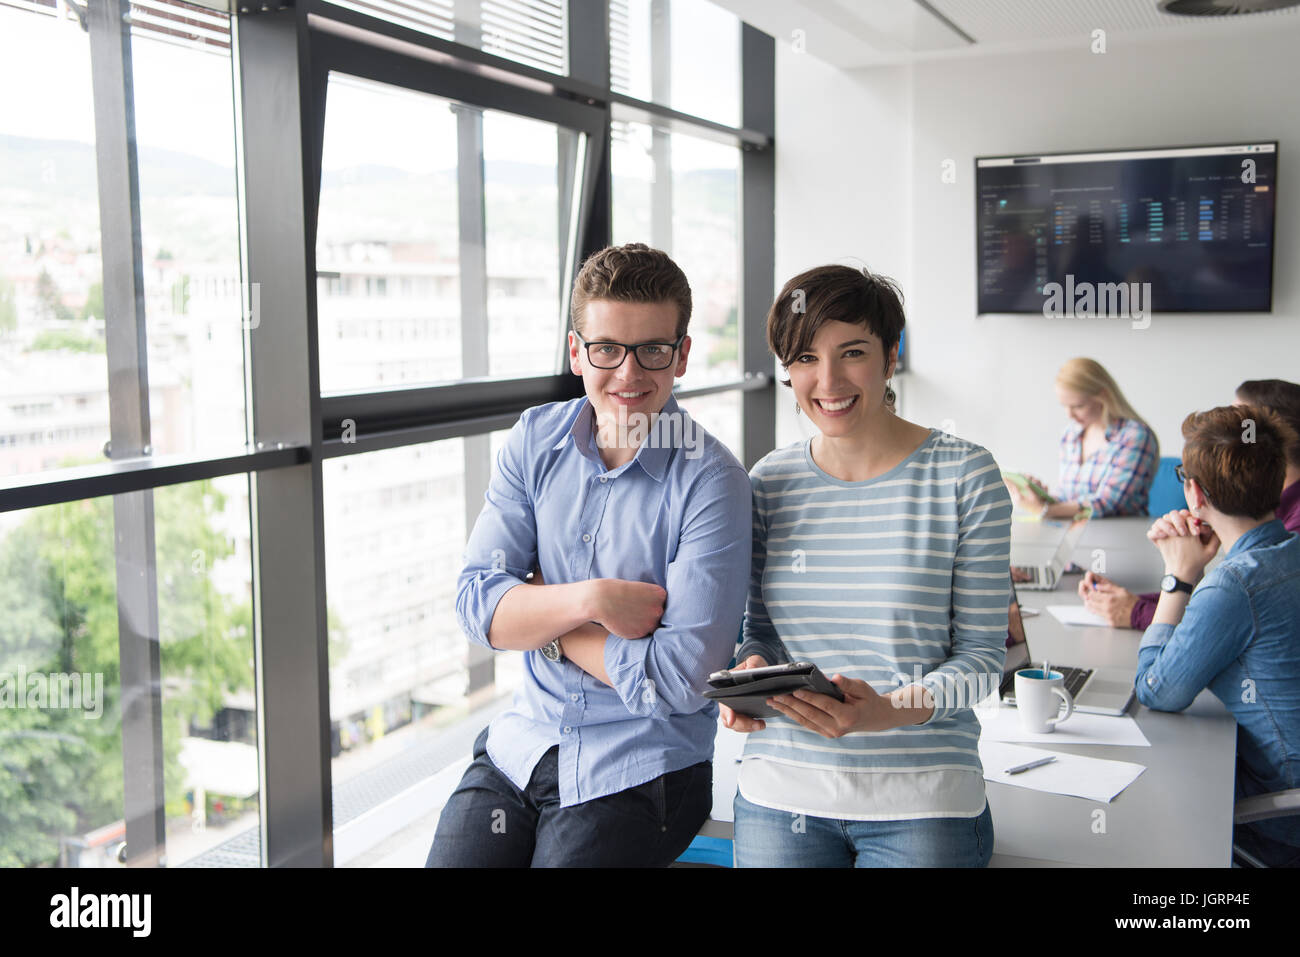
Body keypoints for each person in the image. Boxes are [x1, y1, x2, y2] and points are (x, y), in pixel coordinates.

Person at [425, 243, 751, 867]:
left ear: (681, 355)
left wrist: (545, 622)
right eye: (607, 349)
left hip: (642, 768)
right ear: (576, 352)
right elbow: (475, 603)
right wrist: (592, 600)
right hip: (522, 747)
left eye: (652, 350)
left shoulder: (712, 480)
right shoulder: (534, 440)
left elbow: (683, 681)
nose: (628, 375)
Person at [721, 264, 1012, 868]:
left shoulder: (964, 475)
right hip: (784, 789)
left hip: (923, 796)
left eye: (852, 352)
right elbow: (762, 634)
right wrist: (749, 673)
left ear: (891, 356)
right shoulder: (767, 483)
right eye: (804, 357)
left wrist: (887, 710)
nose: (828, 381)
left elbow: (986, 658)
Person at [1129, 404, 1300, 868]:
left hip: (1282, 816)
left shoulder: (1235, 585)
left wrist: (1179, 575)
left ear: (1194, 492)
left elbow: (1155, 690)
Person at [1081, 378, 1300, 628]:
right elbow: (1221, 603)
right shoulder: (1264, 511)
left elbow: (1228, 621)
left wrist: (1136, 610)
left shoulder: (1290, 535)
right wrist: (1137, 598)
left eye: (1238, 423)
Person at [1006, 357, 1157, 520]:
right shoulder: (1071, 435)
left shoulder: (1135, 436)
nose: (1069, 415)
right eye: (1064, 406)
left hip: (1118, 536)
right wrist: (1041, 497)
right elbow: (1068, 496)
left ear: (1103, 396)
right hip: (1074, 530)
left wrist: (1046, 510)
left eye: (1078, 406)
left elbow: (1108, 503)